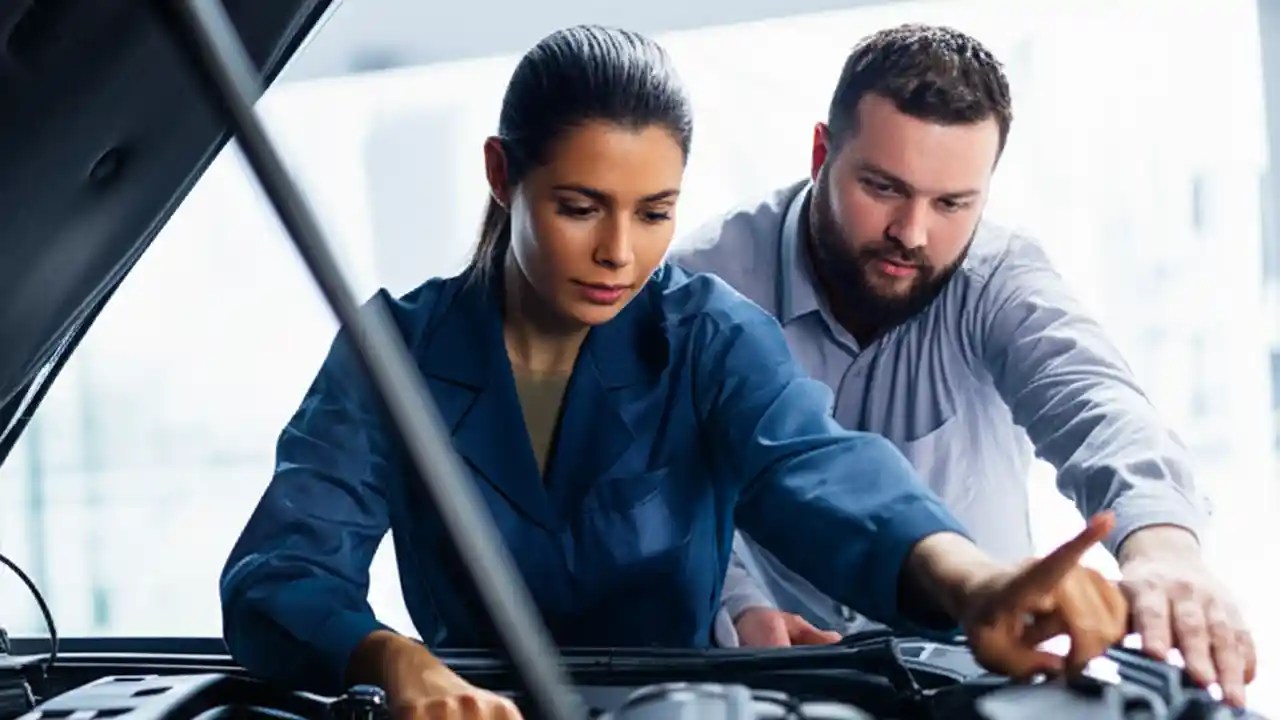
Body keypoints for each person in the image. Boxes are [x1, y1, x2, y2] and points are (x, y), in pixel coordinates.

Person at [221, 25, 1127, 720]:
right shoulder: (393, 352)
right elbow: (283, 572)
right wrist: (394, 660)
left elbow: (826, 474)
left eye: (654, 212)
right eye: (581, 207)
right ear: (503, 174)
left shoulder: (707, 336)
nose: (620, 253)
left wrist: (975, 584)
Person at [672, 22, 1255, 708]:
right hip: (775, 683)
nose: (912, 233)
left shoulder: (998, 277)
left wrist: (1163, 546)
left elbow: (1098, 404)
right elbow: (671, 479)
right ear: (821, 153)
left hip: (981, 679)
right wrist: (738, 604)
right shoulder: (705, 285)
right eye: (883, 188)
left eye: (952, 203)